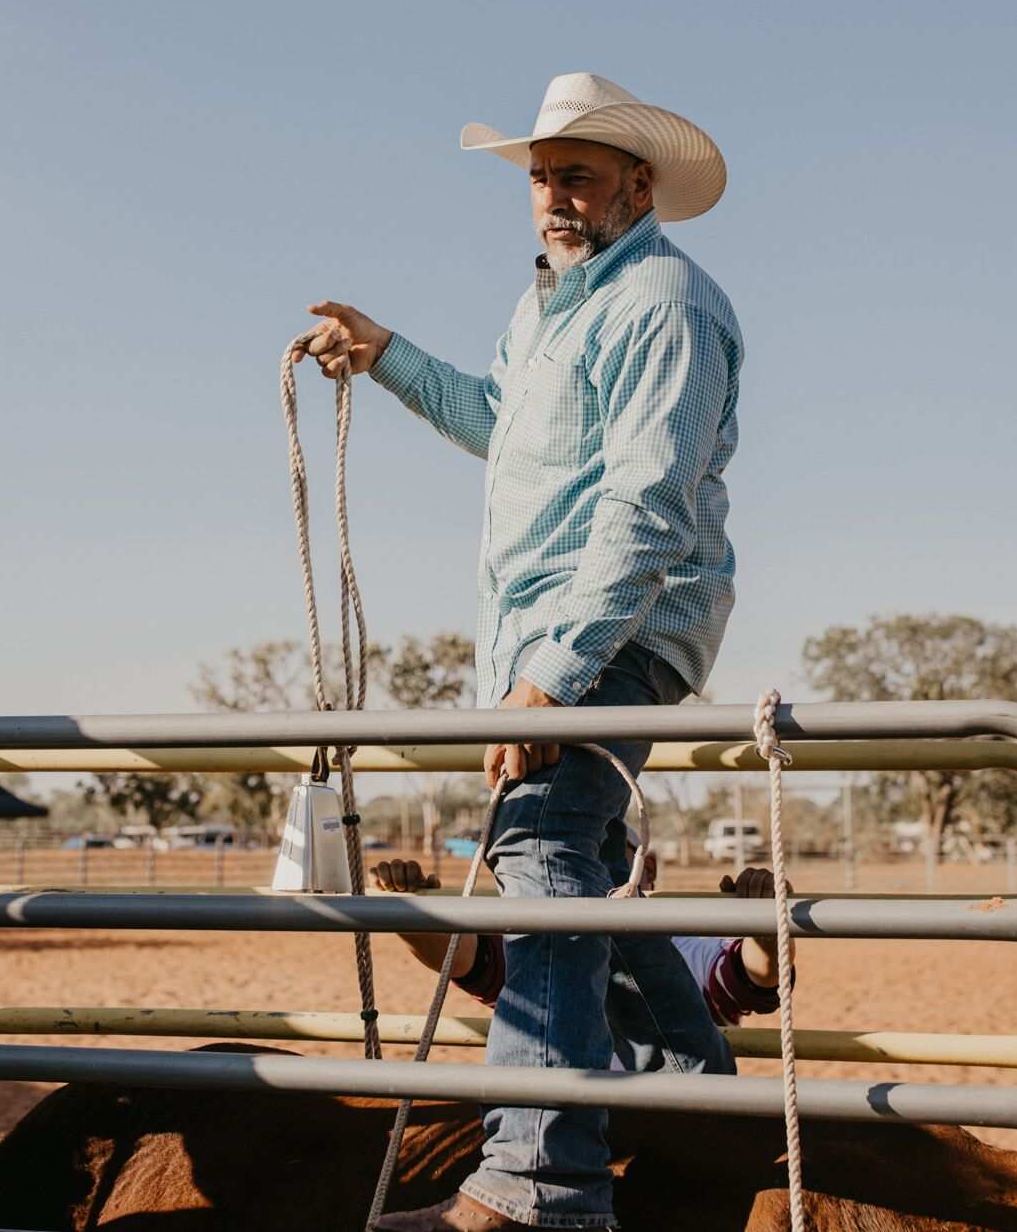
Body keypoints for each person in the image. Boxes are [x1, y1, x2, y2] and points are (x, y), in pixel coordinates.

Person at [294, 72, 741, 1231]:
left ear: (637, 186)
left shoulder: (663, 305)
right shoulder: (550, 309)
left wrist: (552, 673)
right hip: (558, 633)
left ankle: (538, 1184)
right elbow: (496, 420)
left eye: (574, 176)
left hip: (608, 630)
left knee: (540, 844)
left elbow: (646, 506)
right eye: (539, 176)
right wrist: (386, 354)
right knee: (576, 859)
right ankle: (699, 1101)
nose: (550, 196)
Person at [369, 855, 779, 1037]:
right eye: (571, 859)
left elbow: (753, 978)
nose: (588, 871)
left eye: (607, 854)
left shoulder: (691, 946)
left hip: (666, 1123)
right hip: (577, 1123)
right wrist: (410, 911)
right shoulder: (540, 942)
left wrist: (764, 923)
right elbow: (463, 958)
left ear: (647, 868)